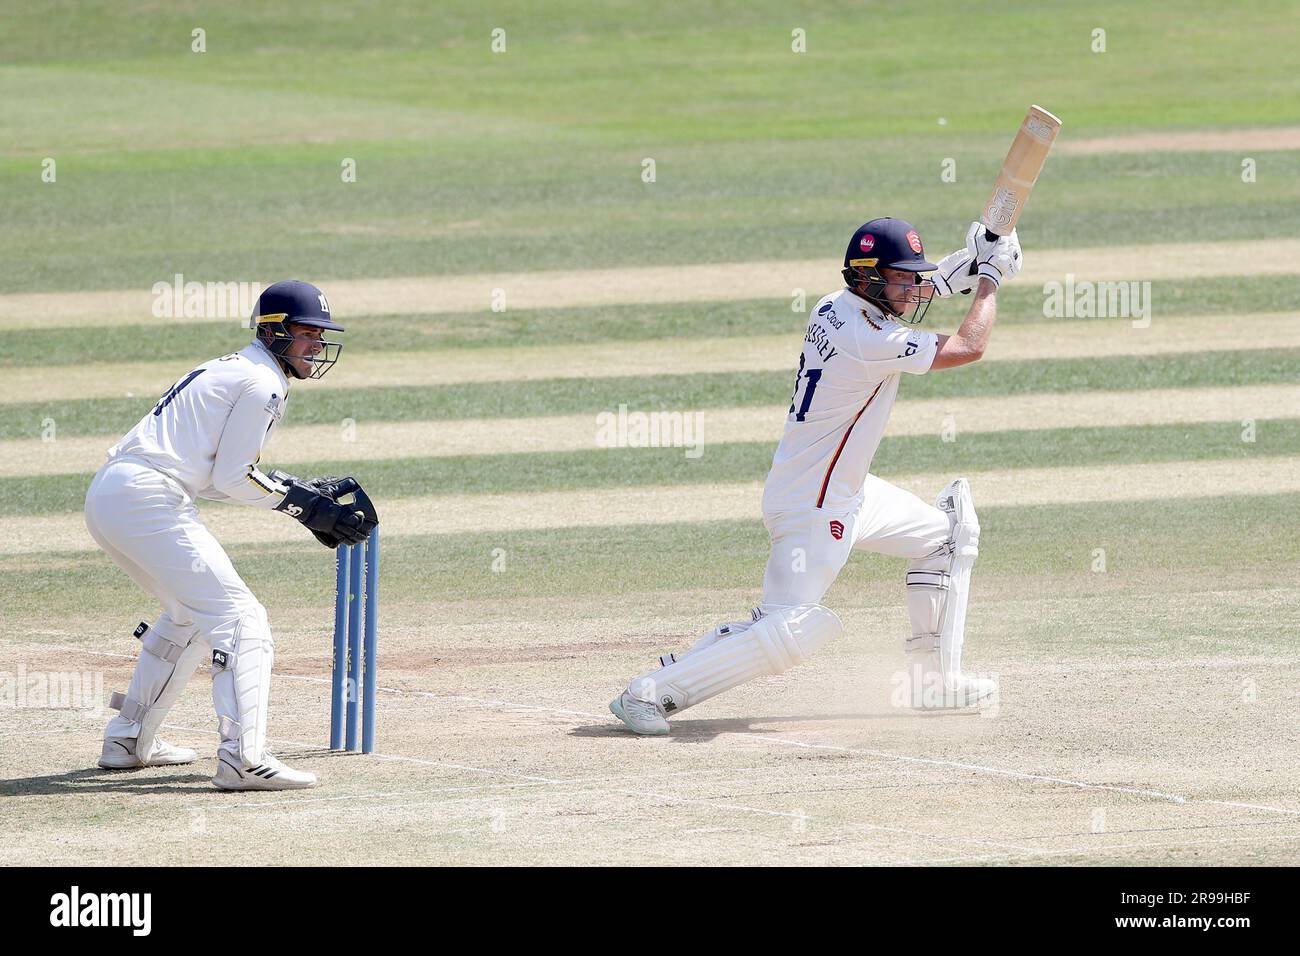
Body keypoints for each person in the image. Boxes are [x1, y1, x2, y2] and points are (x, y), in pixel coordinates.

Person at [610, 219, 1022, 734]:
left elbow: (928, 283)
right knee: (792, 628)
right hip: (815, 503)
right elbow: (969, 346)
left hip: (845, 492)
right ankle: (648, 693)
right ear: (870, 280)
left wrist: (976, 255)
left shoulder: (834, 305)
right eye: (902, 279)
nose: (913, 288)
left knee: (946, 536)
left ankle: (931, 682)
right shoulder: (870, 337)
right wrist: (990, 282)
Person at [85, 279, 378, 788]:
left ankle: (129, 738)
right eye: (308, 334)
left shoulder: (237, 368)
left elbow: (217, 475)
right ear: (275, 332)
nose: (317, 345)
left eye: (320, 335)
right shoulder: (263, 383)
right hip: (148, 498)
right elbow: (232, 477)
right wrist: (304, 506)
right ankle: (244, 759)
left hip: (114, 495)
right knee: (241, 618)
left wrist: (294, 492)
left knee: (190, 615)